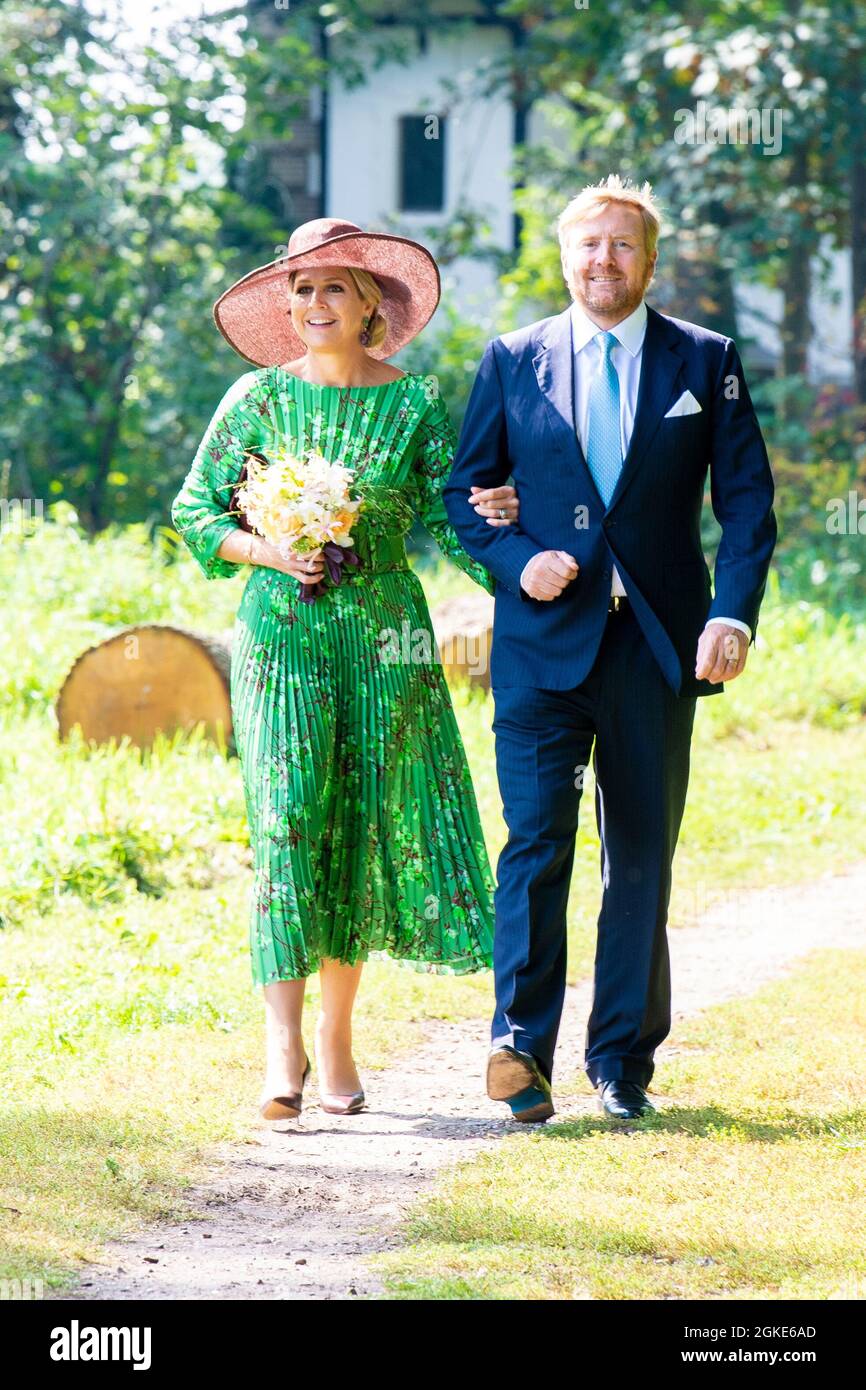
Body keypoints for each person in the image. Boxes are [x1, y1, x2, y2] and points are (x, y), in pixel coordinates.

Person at [443, 175, 777, 1123]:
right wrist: (515, 560)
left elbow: (748, 504)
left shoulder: (705, 360)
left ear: (650, 260)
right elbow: (467, 495)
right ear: (563, 257)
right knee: (537, 840)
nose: (604, 261)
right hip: (542, 649)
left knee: (638, 856)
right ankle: (519, 1048)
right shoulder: (513, 359)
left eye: (623, 247)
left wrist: (734, 613)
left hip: (661, 647)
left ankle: (622, 1063)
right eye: (588, 246)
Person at [170, 218, 520, 1124]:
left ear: (371, 302)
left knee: (359, 824)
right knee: (287, 821)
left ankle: (336, 1038)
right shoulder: (255, 398)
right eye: (300, 288)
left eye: (332, 286)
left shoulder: (414, 406)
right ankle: (280, 1049)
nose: (312, 303)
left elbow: (454, 521)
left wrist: (515, 550)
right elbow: (195, 512)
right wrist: (270, 547)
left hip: (384, 641)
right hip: (281, 635)